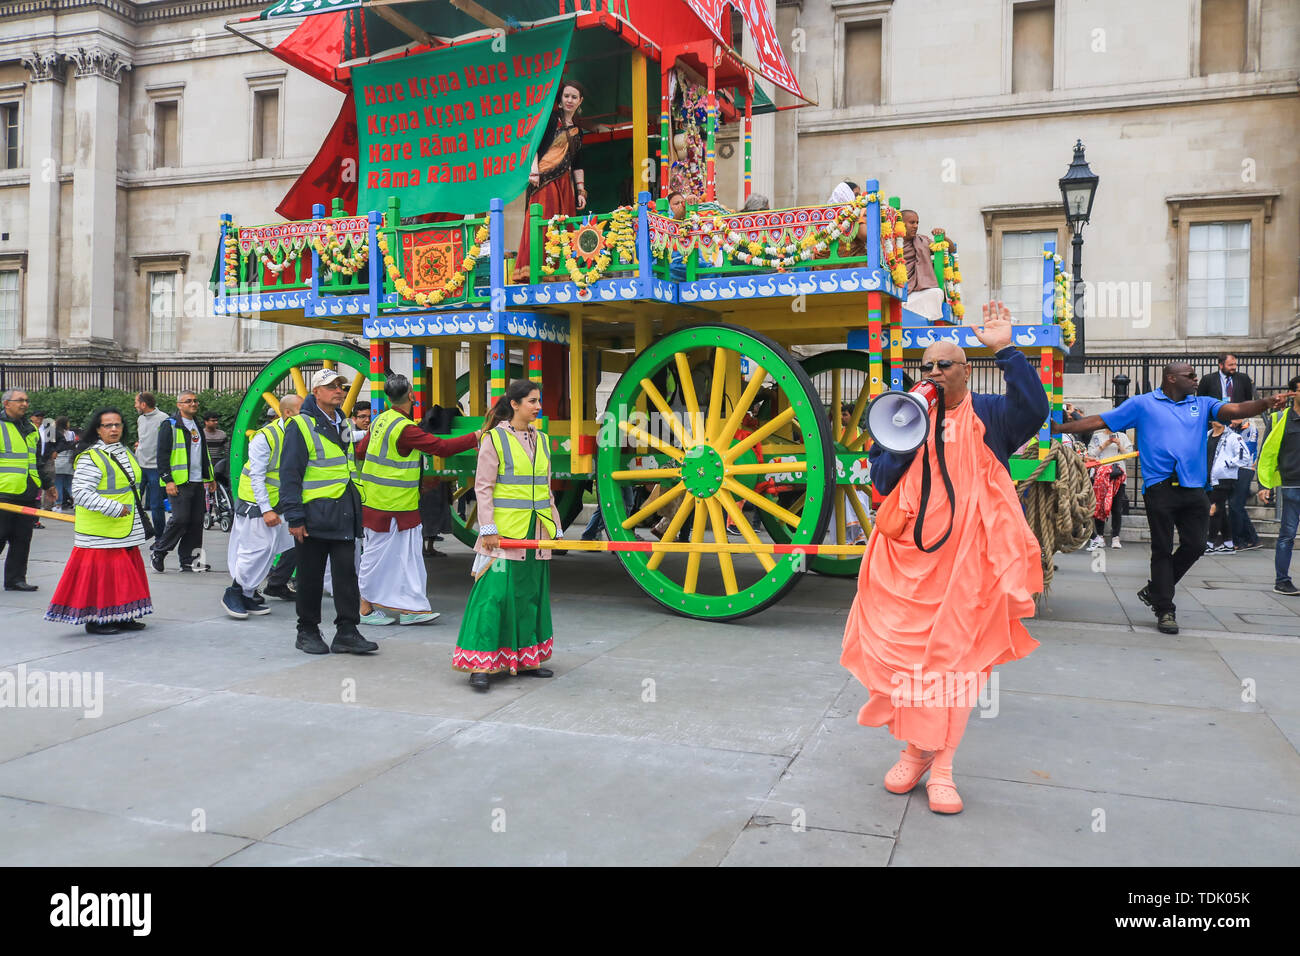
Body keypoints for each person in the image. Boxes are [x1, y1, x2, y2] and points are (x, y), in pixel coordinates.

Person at [841, 302, 1049, 815]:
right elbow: (884, 481)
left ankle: (943, 767)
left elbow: (1035, 410)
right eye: (926, 366)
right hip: (909, 563)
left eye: (943, 365)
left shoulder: (992, 415)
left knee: (954, 666)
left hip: (968, 567)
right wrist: (904, 437)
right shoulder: (905, 414)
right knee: (912, 665)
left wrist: (1006, 348)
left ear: (966, 370)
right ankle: (914, 753)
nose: (932, 373)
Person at [1054, 364, 1290, 633]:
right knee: (1162, 550)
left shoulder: (1202, 404)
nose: (1195, 379)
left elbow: (1235, 410)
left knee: (1196, 545)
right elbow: (1101, 421)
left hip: (1194, 490)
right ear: (1170, 378)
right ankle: (1165, 609)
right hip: (1160, 489)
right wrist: (1061, 427)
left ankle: (1156, 589)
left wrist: (1264, 403)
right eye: (1189, 376)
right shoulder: (1143, 404)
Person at [455, 379, 562, 691]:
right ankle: (480, 663)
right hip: (503, 534)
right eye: (532, 401)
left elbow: (546, 489)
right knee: (493, 595)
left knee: (529, 596)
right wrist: (487, 529)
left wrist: (554, 526)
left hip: (536, 530)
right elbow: (483, 487)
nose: (538, 406)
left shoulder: (542, 440)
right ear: (514, 404)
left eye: (538, 400)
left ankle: (527, 658)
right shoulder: (494, 440)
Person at [354, 374, 480, 626]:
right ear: (411, 395)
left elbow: (360, 451)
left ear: (389, 397)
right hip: (393, 506)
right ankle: (365, 608)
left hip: (385, 503)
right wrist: (477, 435)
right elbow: (441, 448)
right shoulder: (405, 428)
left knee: (404, 558)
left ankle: (410, 607)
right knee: (388, 559)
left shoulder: (380, 421)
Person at [279, 368, 376, 656]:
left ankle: (347, 631)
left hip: (344, 511)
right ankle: (307, 630)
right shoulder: (301, 425)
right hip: (314, 515)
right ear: (316, 392)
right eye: (332, 386)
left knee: (347, 575)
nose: (339, 390)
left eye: (341, 386)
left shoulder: (342, 422)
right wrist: (294, 517)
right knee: (310, 576)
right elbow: (290, 475)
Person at [44, 408, 152, 635]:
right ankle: (97, 619)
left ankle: (123, 615)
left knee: (124, 576)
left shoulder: (123, 451)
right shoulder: (91, 456)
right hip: (101, 531)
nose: (114, 429)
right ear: (97, 429)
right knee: (104, 579)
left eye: (118, 425)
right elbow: (81, 493)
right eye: (108, 425)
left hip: (123, 527)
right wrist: (113, 508)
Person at [222, 394, 303, 620]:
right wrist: (266, 509)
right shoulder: (265, 437)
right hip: (256, 502)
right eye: (301, 409)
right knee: (256, 550)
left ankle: (247, 593)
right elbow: (257, 476)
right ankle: (235, 592)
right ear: (288, 413)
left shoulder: (299, 433)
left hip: (280, 501)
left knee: (270, 549)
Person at [513, 80, 587, 282]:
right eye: (566, 96)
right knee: (544, 221)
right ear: (560, 100)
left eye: (574, 97)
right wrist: (534, 170)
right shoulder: (550, 120)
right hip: (544, 179)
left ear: (580, 101)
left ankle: (562, 272)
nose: (570, 100)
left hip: (565, 182)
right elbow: (533, 144)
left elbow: (578, 164)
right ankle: (539, 271)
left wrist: (581, 191)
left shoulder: (578, 132)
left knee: (564, 225)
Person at [149, 391, 216, 573]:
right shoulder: (169, 425)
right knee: (180, 519)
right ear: (179, 405)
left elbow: (203, 454)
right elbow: (162, 455)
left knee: (196, 522)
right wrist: (168, 480)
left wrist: (210, 477)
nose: (193, 404)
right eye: (188, 401)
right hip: (179, 482)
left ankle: (190, 561)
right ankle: (159, 550)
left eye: (195, 401)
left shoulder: (197, 425)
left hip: (197, 480)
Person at [1257, 374, 1300, 596]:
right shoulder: (1279, 419)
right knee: (1287, 534)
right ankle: (1282, 580)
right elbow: (1267, 453)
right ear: (1293, 393)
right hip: (1291, 485)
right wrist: (1264, 485)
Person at [0, 388, 47, 591]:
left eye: (27, 400)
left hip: (27, 492)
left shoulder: (31, 428)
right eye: (20, 400)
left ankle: (16, 579)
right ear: (6, 403)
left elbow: (36, 460)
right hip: (4, 492)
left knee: (22, 539)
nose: (25, 404)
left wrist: (47, 484)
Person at [899, 210, 953, 322]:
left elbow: (951, 249)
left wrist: (943, 237)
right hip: (900, 291)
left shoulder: (922, 240)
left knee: (937, 293)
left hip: (921, 290)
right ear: (901, 223)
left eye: (917, 223)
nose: (916, 226)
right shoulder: (891, 243)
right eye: (912, 222)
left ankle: (920, 319)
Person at [1086, 424, 1133, 549]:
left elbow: (1129, 455)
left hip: (1118, 475)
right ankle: (1100, 536)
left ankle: (1115, 536)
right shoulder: (1097, 436)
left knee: (1117, 507)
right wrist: (1105, 444)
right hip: (1100, 475)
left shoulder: (1122, 436)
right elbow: (1091, 454)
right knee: (1100, 505)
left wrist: (1119, 444)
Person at [1206, 419, 1250, 553]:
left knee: (1214, 509)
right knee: (1219, 511)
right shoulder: (1207, 435)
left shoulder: (1233, 437)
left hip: (1224, 478)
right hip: (1209, 479)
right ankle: (1229, 543)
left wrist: (1227, 464)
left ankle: (1210, 543)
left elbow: (1245, 456)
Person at [134, 392, 170, 537]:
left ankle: (160, 537)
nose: (135, 405)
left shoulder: (164, 418)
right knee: (133, 501)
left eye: (136, 402)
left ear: (143, 404)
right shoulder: (140, 419)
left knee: (156, 506)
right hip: (139, 466)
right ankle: (134, 533)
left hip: (156, 468)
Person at [1228, 417, 1262, 550]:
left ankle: (1239, 541)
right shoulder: (1230, 428)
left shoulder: (1250, 428)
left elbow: (1245, 451)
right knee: (1236, 506)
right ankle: (1252, 538)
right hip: (1233, 470)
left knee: (1235, 505)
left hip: (1246, 469)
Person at [30, 410, 55, 519]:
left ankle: (47, 506)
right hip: (34, 459)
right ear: (31, 417)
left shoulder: (48, 428)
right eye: (37, 416)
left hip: (45, 459)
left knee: (48, 479)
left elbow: (56, 441)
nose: (40, 418)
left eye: (42, 416)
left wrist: (55, 450)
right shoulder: (28, 428)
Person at [52, 419, 77, 510]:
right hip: (69, 461)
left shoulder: (54, 434)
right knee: (69, 484)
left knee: (58, 484)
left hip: (58, 460)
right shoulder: (72, 434)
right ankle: (76, 503)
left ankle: (58, 505)